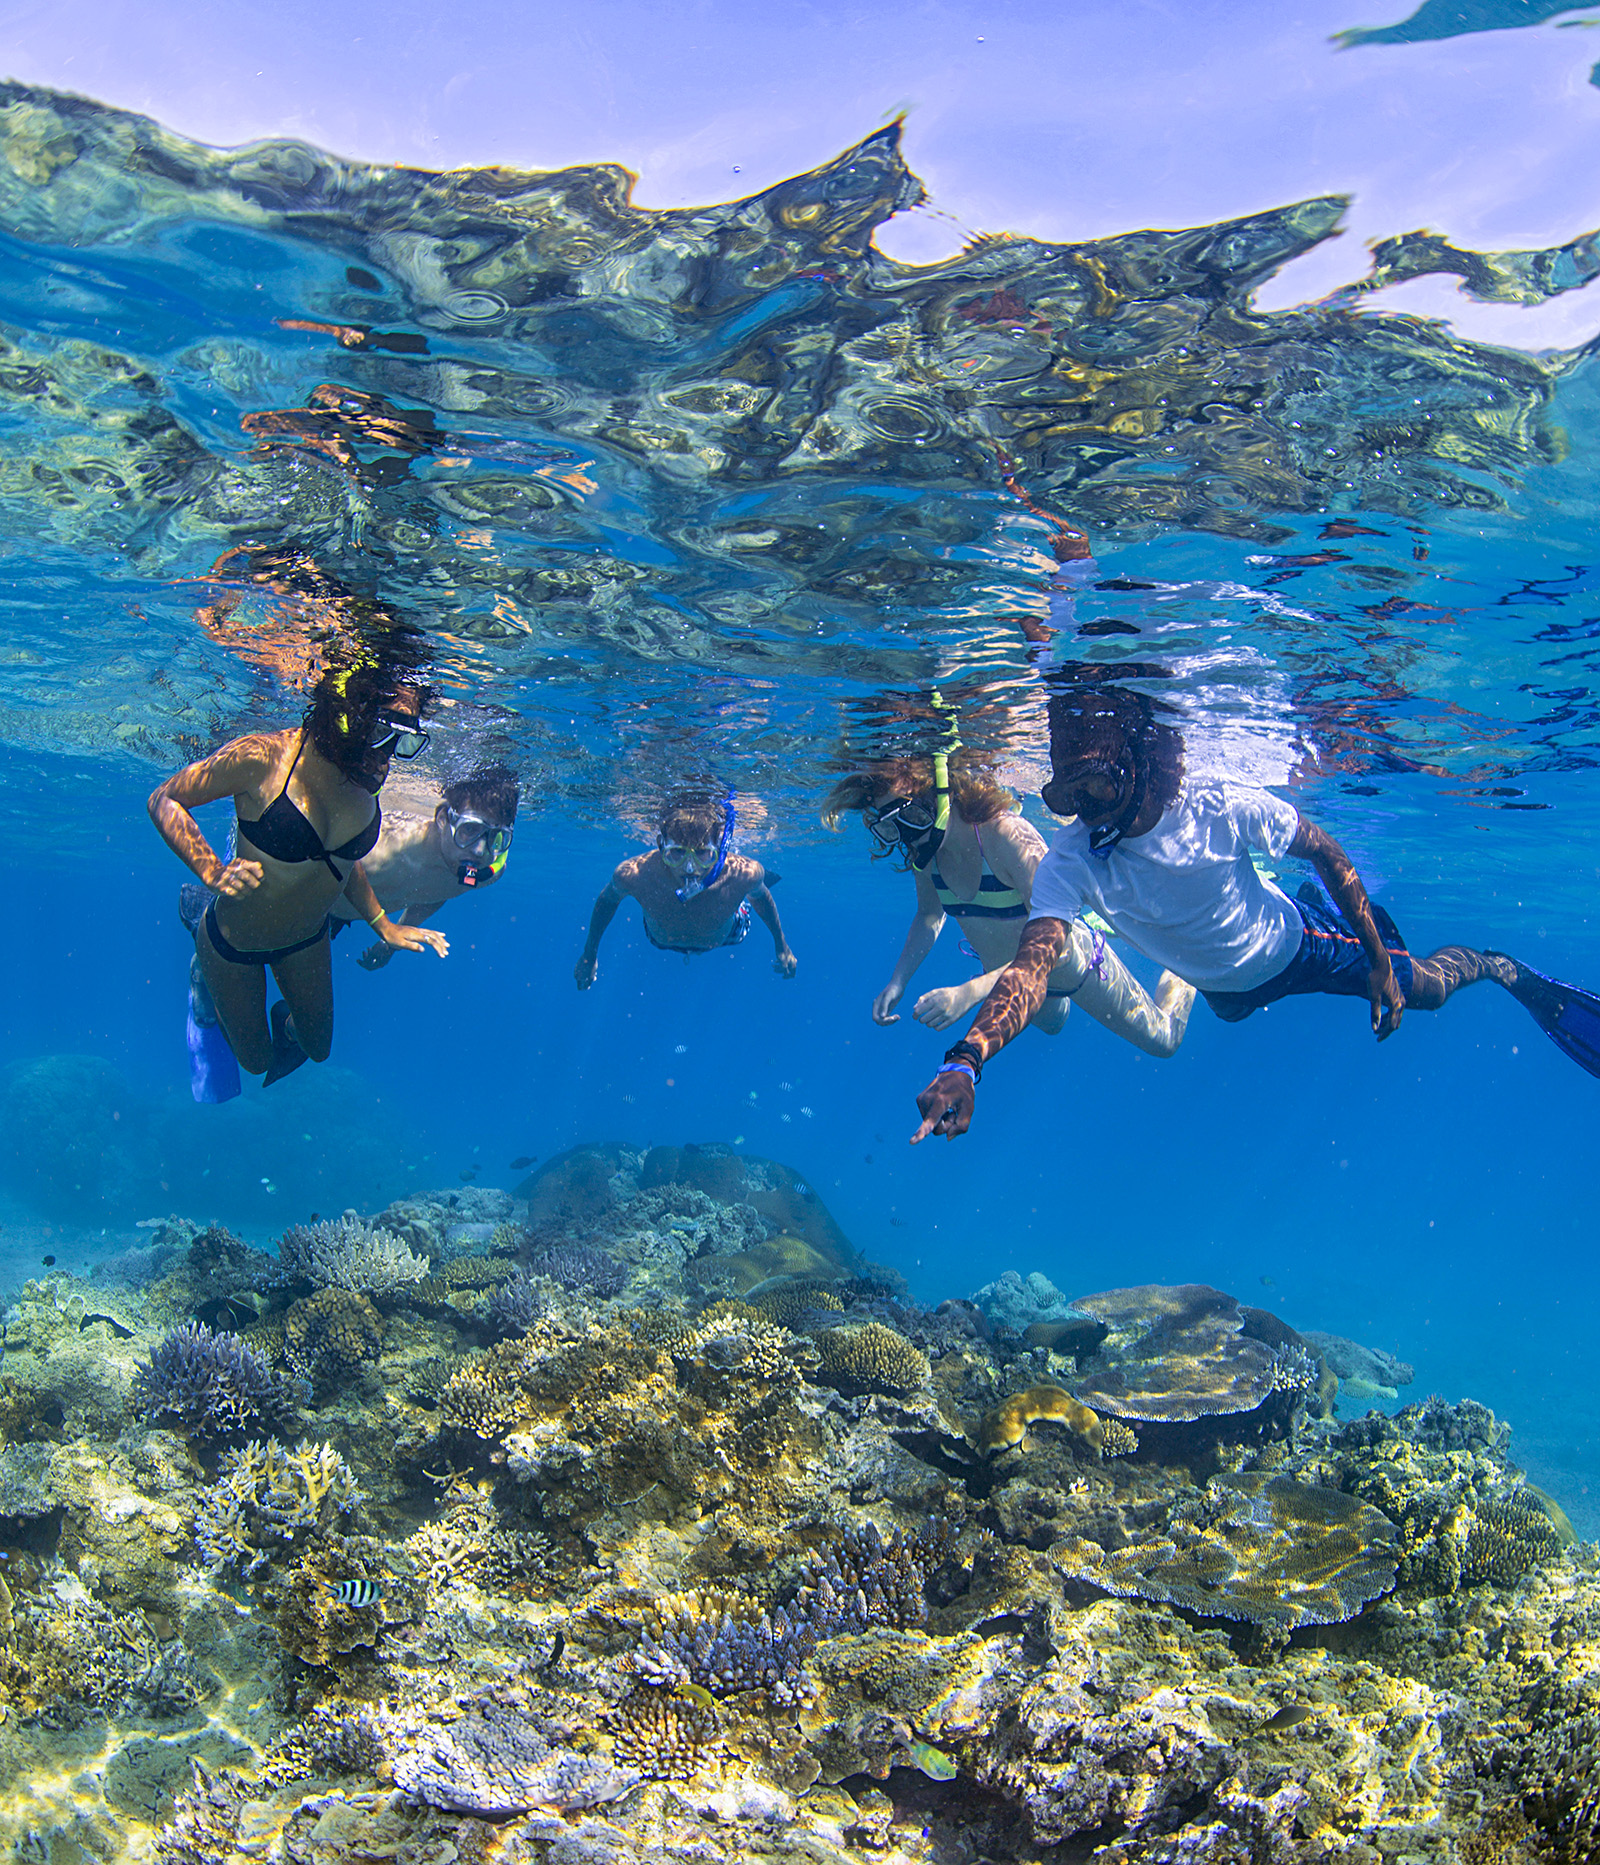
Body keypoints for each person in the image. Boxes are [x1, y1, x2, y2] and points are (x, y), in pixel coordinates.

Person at [911, 683, 1600, 1141]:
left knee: (1424, 990)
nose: (1082, 811)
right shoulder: (1069, 858)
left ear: (1134, 767)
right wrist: (968, 1061)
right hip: (1226, 985)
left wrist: (1377, 962)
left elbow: (1329, 852)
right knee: (1231, 1004)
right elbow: (1032, 967)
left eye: (1093, 787)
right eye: (1067, 796)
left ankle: (1497, 966)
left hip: (1302, 948)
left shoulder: (1214, 802)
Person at [149, 653, 449, 1085]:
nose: (388, 758)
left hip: (306, 941)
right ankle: (199, 918)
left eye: (404, 742)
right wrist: (212, 871)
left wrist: (384, 925)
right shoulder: (264, 757)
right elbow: (165, 800)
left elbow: (342, 864)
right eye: (384, 732)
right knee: (254, 1062)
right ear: (347, 714)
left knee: (318, 1050)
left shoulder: (366, 780)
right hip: (235, 941)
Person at [821, 749, 1193, 1053]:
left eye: (913, 816)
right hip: (1011, 980)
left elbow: (1055, 948)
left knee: (1164, 1041)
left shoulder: (1003, 836)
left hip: (1068, 966)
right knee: (1053, 1025)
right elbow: (930, 914)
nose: (908, 836)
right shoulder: (927, 852)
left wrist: (970, 992)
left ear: (941, 794)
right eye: (891, 826)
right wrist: (897, 981)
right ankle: (1093, 930)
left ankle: (1186, 969)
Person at [575, 789, 796, 987]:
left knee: (749, 887)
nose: (690, 868)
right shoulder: (633, 874)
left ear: (718, 850)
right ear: (661, 846)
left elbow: (762, 897)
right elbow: (608, 900)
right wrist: (589, 953)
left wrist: (782, 944)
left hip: (729, 934)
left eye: (702, 854)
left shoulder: (744, 873)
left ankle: (741, 899)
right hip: (659, 940)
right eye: (677, 853)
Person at [328, 764, 519, 968]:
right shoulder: (384, 847)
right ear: (443, 819)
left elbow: (437, 892)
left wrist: (390, 944)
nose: (480, 851)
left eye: (495, 837)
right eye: (469, 829)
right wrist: (384, 928)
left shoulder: (486, 873)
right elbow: (326, 867)